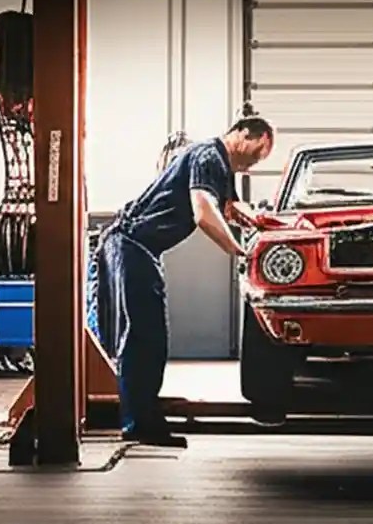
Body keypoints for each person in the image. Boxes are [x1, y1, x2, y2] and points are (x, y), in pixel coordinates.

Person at [97, 116, 274, 447]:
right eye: (256, 154)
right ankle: (138, 423)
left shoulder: (221, 167)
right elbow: (204, 213)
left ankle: (141, 418)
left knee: (149, 336)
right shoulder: (207, 155)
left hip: (140, 248)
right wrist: (240, 253)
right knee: (144, 337)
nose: (253, 165)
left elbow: (232, 208)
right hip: (130, 242)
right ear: (242, 135)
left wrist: (266, 225)